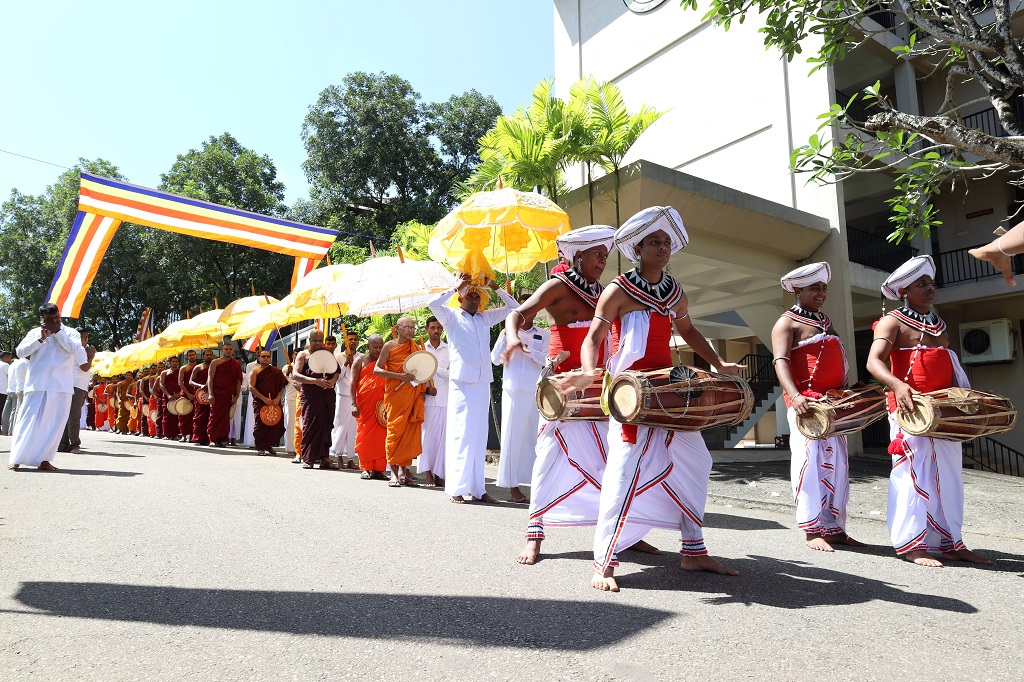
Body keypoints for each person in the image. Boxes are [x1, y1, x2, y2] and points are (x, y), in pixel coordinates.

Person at [560, 206, 746, 591]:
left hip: (669, 390)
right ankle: (604, 562)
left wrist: (717, 363)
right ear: (637, 249)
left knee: (696, 461)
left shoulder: (674, 291)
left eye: (666, 242)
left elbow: (689, 330)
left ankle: (694, 551)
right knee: (624, 470)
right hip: (630, 392)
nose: (662, 248)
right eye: (654, 242)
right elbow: (595, 336)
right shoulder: (618, 290)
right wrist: (589, 370)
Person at [866, 255, 993, 568]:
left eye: (930, 283)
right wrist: (897, 385)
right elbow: (873, 362)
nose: (929, 288)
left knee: (949, 476)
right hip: (910, 410)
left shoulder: (940, 324)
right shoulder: (892, 321)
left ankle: (951, 542)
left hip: (942, 411)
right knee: (912, 475)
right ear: (904, 291)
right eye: (921, 284)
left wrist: (962, 403)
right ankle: (913, 544)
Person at [771, 262, 866, 552]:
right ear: (798, 290)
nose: (821, 293)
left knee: (836, 466)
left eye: (824, 288)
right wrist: (795, 395)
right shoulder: (786, 322)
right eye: (815, 288)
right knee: (809, 465)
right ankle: (812, 530)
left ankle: (834, 528)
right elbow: (780, 361)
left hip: (832, 403)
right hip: (807, 405)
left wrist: (849, 391)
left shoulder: (825, 321)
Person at [427, 275, 518, 504]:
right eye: (470, 295)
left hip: (481, 381)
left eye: (478, 295)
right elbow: (433, 305)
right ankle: (456, 488)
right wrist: (456, 287)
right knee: (461, 434)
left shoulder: (484, 319)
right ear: (460, 298)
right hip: (461, 381)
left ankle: (478, 489)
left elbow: (514, 307)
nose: (475, 298)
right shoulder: (451, 316)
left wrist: (495, 286)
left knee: (478, 436)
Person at [9, 303, 91, 471]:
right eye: (50, 319)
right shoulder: (34, 333)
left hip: (62, 386)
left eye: (57, 318)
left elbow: (74, 349)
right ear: (43, 320)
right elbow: (20, 352)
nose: (54, 321)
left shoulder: (70, 333)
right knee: (28, 422)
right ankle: (16, 458)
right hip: (37, 385)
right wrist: (40, 338)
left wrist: (58, 332)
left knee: (54, 426)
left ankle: (44, 460)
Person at [491, 308, 549, 503]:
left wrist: (528, 349)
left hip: (536, 390)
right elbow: (494, 360)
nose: (526, 315)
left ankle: (537, 484)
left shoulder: (543, 333)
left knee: (535, 439)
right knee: (512, 438)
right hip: (513, 390)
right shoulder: (508, 333)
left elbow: (547, 360)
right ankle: (512, 486)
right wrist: (504, 336)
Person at [375, 317, 428, 487]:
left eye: (412, 327)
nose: (410, 330)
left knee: (409, 433)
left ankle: (403, 471)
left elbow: (420, 370)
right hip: (395, 395)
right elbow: (377, 370)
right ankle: (393, 472)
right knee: (395, 431)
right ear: (397, 328)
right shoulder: (389, 346)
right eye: (406, 327)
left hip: (411, 393)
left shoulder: (416, 348)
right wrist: (399, 377)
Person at [292, 330, 339, 469]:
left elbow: (336, 372)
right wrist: (315, 381)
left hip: (327, 394)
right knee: (310, 425)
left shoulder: (327, 353)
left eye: (320, 340)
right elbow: (295, 375)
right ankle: (308, 458)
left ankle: (324, 458)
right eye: (315, 341)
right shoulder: (303, 355)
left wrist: (332, 381)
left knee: (326, 425)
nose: (318, 343)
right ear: (310, 340)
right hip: (311, 395)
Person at [351, 335, 387, 479]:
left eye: (380, 347)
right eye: (375, 347)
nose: (378, 350)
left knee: (381, 437)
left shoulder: (386, 360)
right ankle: (365, 467)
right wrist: (353, 404)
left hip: (382, 406)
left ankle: (378, 469)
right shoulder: (360, 361)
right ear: (368, 347)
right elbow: (352, 384)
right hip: (365, 404)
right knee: (364, 434)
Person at [420, 317, 449, 488]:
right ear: (427, 329)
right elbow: (415, 376)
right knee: (428, 439)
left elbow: (453, 374)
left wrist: (433, 367)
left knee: (442, 441)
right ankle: (428, 474)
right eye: (432, 327)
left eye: (439, 327)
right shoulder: (420, 350)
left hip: (446, 400)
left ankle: (440, 474)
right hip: (428, 401)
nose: (436, 330)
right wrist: (425, 389)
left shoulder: (450, 350)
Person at [57, 328, 93, 453]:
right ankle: (74, 444)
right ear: (83, 338)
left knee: (67, 415)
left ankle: (63, 444)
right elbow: (84, 367)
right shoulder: (79, 348)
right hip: (77, 386)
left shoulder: (69, 348)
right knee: (74, 416)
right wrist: (91, 357)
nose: (86, 339)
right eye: (86, 336)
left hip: (72, 385)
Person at [330, 330, 360, 469]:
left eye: (355, 339)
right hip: (342, 394)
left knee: (353, 428)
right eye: (350, 339)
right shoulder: (338, 357)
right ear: (345, 341)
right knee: (340, 424)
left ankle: (351, 458)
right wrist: (345, 365)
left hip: (356, 396)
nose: (353, 341)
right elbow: (336, 377)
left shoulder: (361, 357)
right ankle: (338, 455)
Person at [249, 348, 287, 456]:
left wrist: (278, 398)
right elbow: (251, 388)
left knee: (275, 423)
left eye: (268, 356)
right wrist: (264, 398)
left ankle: (268, 445)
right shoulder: (255, 372)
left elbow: (282, 386)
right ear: (259, 358)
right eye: (263, 356)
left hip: (274, 402)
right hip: (261, 402)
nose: (266, 358)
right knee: (260, 423)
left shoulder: (276, 371)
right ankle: (260, 446)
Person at [207, 342, 243, 448]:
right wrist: (210, 394)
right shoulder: (215, 362)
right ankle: (213, 439)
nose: (228, 351)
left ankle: (223, 439)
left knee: (226, 418)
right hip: (217, 394)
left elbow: (238, 381)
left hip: (229, 395)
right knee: (214, 416)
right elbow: (210, 378)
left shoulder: (236, 364)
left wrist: (236, 396)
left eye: (230, 349)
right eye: (226, 349)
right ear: (222, 351)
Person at [190, 350, 214, 445]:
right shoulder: (198, 367)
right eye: (207, 355)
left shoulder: (216, 366)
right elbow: (190, 382)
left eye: (210, 355)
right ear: (203, 356)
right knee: (199, 416)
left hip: (212, 394)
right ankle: (199, 437)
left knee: (211, 416)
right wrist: (200, 385)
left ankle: (210, 437)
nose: (209, 356)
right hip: (200, 395)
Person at [158, 357, 182, 440]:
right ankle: (167, 434)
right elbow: (161, 384)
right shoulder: (164, 372)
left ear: (178, 362)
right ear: (170, 363)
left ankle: (176, 434)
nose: (174, 363)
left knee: (178, 414)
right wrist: (168, 395)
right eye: (173, 361)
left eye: (176, 361)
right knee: (167, 415)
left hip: (179, 396)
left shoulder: (181, 371)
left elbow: (183, 383)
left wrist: (179, 394)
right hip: (167, 396)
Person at [178, 350, 198, 442]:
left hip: (198, 393)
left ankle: (193, 435)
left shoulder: (199, 367)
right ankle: (184, 435)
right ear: (187, 357)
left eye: (193, 355)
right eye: (190, 355)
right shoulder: (183, 368)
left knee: (196, 415)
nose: (192, 356)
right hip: (186, 393)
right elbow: (180, 383)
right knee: (184, 415)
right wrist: (188, 394)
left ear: (196, 356)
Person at [1, 353, 24, 435]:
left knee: (6, 411)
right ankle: (11, 431)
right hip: (16, 389)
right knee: (15, 411)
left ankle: (4, 430)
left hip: (9, 390)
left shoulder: (11, 365)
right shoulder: (22, 364)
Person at [240, 350, 260, 449]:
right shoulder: (250, 365)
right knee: (253, 417)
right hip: (254, 393)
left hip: (266, 395)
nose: (259, 353)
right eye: (257, 352)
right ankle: (251, 441)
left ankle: (263, 441)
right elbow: (248, 381)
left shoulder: (269, 366)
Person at [282, 362, 299, 460]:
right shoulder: (286, 367)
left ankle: (299, 447)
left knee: (300, 423)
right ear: (293, 355)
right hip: (290, 397)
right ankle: (290, 448)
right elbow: (283, 382)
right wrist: (288, 372)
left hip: (301, 397)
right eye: (295, 354)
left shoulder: (302, 365)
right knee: (290, 423)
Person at [0, 350, 11, 433]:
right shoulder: (5, 365)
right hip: (3, 391)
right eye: (10, 357)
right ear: (6, 357)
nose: (10, 359)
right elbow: (11, 376)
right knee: (3, 411)